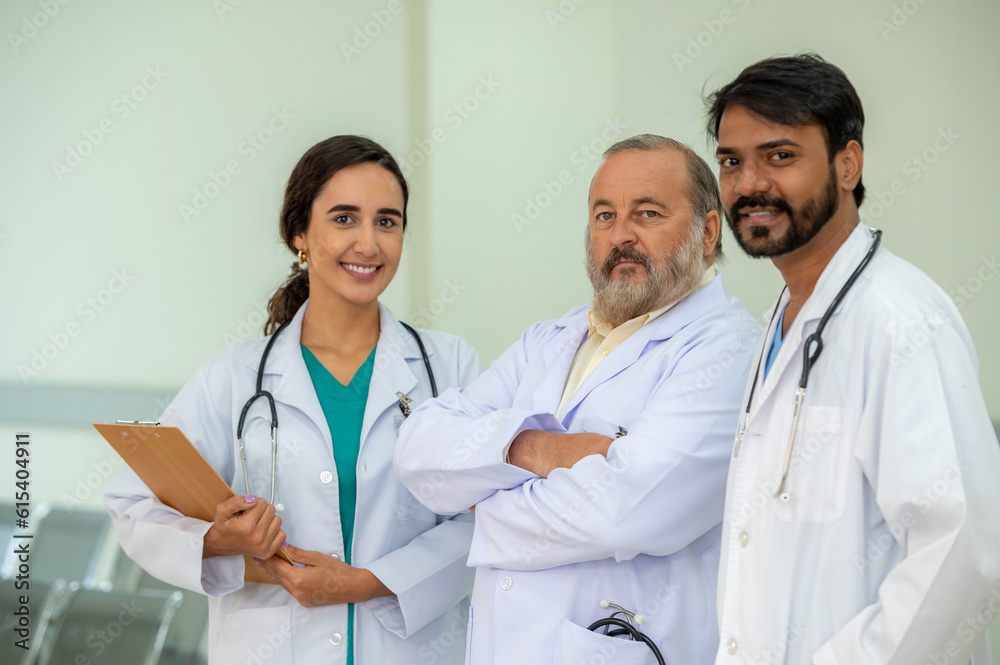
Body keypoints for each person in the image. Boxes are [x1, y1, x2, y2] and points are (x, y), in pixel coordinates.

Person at [105, 135, 481, 665]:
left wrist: (369, 583)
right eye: (344, 219)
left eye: (387, 221)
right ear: (299, 234)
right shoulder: (231, 379)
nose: (369, 244)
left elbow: (486, 519)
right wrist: (217, 539)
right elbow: (133, 505)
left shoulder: (450, 367)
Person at [395, 134, 762, 665]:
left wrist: (483, 489)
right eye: (604, 216)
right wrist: (543, 451)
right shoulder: (551, 339)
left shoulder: (729, 351)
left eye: (648, 214)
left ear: (707, 233)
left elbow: (623, 512)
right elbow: (417, 451)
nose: (621, 235)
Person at [706, 54, 1000, 665]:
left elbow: (966, 548)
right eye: (732, 161)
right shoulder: (788, 318)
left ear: (848, 164)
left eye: (779, 155)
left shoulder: (900, 320)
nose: (750, 182)